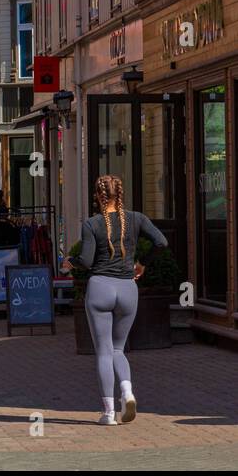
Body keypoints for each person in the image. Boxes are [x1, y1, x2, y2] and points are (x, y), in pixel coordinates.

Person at [63, 174, 169, 426]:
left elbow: (87, 261)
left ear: (98, 196)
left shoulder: (92, 224)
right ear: (120, 194)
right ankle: (128, 393)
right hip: (127, 289)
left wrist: (70, 262)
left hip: (100, 288)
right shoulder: (136, 219)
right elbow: (161, 242)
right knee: (119, 349)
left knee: (104, 351)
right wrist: (141, 264)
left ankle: (109, 413)